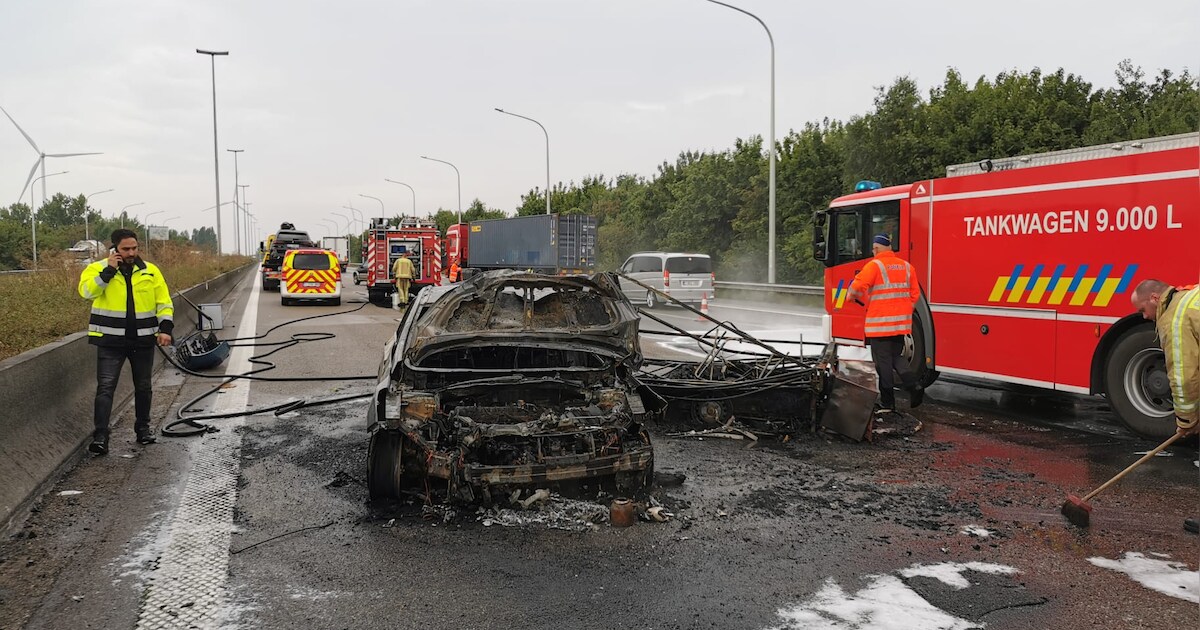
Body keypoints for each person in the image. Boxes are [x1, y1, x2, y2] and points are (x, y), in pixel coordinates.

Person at [77, 229, 174, 455]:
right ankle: (101, 436)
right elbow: (86, 292)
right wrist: (109, 271)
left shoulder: (150, 271)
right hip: (110, 341)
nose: (131, 253)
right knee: (105, 388)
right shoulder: (97, 269)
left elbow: (164, 303)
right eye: (125, 249)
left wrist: (166, 329)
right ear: (114, 249)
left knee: (143, 386)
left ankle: (143, 429)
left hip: (142, 340)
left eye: (134, 248)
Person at [1130, 279, 1199, 534]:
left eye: (1142, 310)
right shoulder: (1191, 295)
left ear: (1156, 298)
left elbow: (1183, 376)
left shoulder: (1176, 319)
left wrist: (1186, 420)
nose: (1145, 317)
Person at [846, 234, 924, 415]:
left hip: (879, 324)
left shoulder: (875, 266)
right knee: (897, 357)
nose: (873, 252)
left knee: (883, 364)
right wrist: (903, 310)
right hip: (900, 325)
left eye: (874, 249)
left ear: (877, 249)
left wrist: (851, 296)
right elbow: (915, 295)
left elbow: (857, 288)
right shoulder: (907, 267)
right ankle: (914, 386)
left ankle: (888, 402)